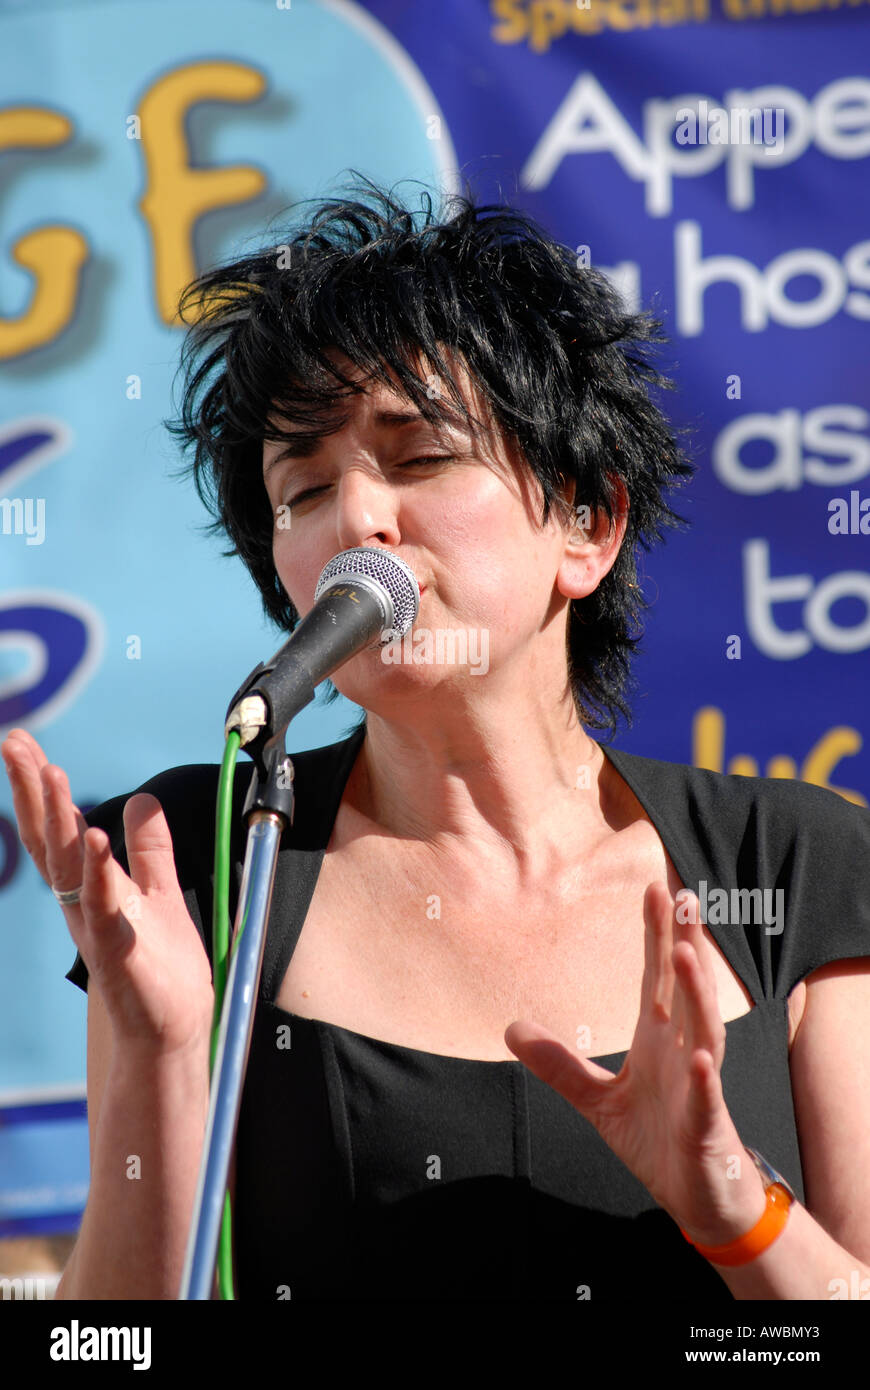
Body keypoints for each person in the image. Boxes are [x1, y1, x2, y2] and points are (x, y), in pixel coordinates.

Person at [3, 176, 870, 1302]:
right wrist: (166, 1060)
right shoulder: (202, 855)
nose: (358, 518)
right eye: (303, 487)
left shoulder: (792, 864)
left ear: (586, 522)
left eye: (418, 460)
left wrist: (733, 1207)